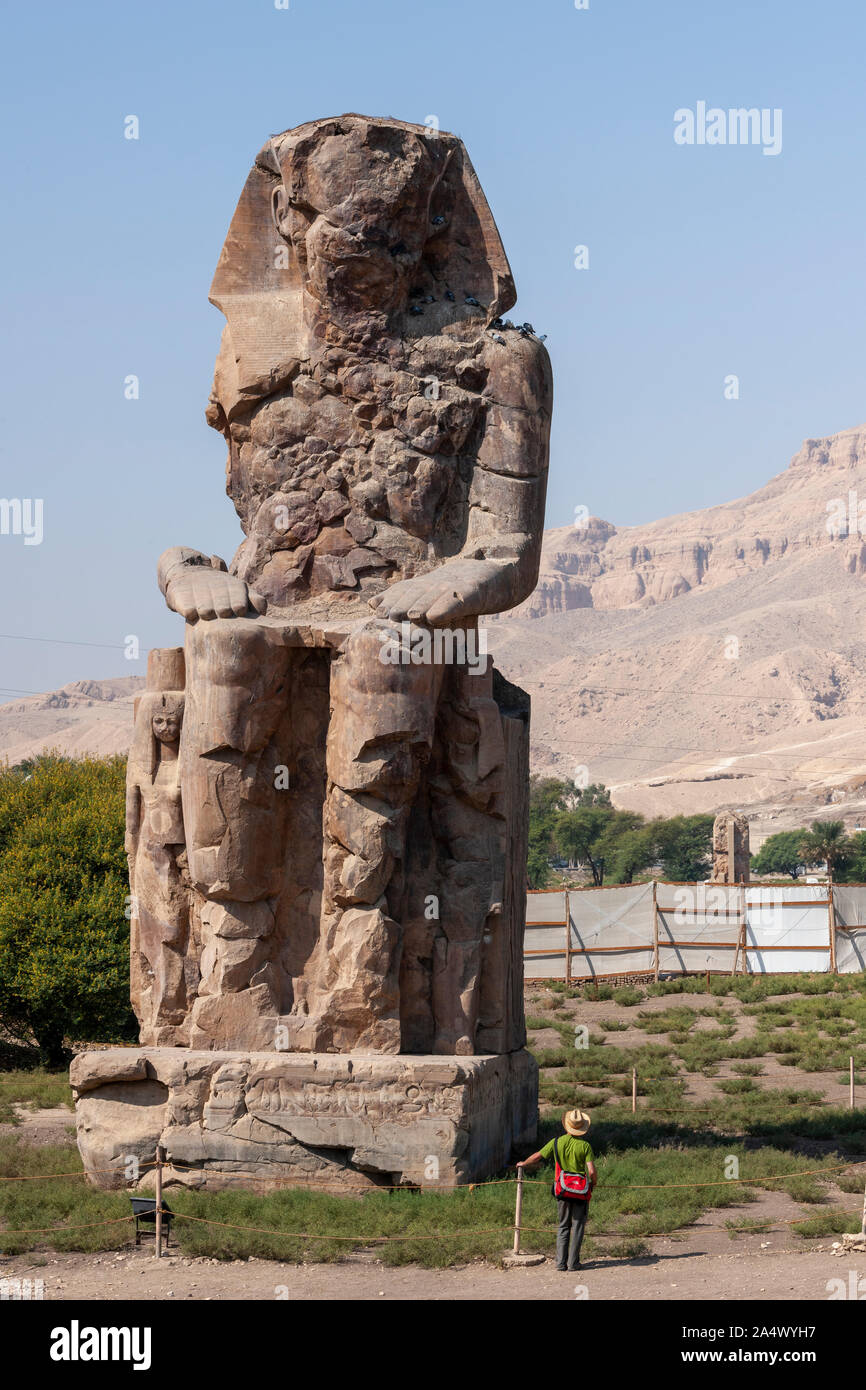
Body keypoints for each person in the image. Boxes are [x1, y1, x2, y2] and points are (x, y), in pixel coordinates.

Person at [518, 1108, 597, 1272]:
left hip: (563, 1190)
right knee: (578, 1226)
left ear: (566, 1125)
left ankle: (560, 1263)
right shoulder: (585, 1146)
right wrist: (592, 1184)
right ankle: (573, 1263)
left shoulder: (556, 1142)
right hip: (581, 1192)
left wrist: (524, 1164)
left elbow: (537, 1156)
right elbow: (591, 1172)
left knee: (563, 1226)